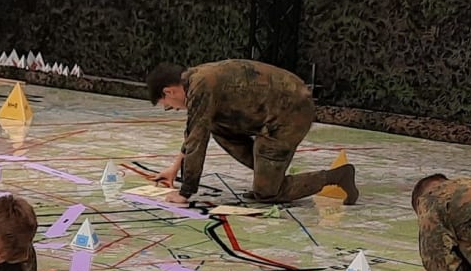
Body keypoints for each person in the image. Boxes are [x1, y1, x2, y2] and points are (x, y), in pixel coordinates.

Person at [146, 59, 358, 205]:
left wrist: (185, 192)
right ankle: (267, 175)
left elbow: (197, 140)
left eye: (169, 104)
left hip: (289, 112)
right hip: (274, 109)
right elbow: (195, 130)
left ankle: (338, 176)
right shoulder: (195, 79)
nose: (173, 108)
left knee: (267, 193)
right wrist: (175, 168)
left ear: (169, 91)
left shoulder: (201, 86)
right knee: (215, 125)